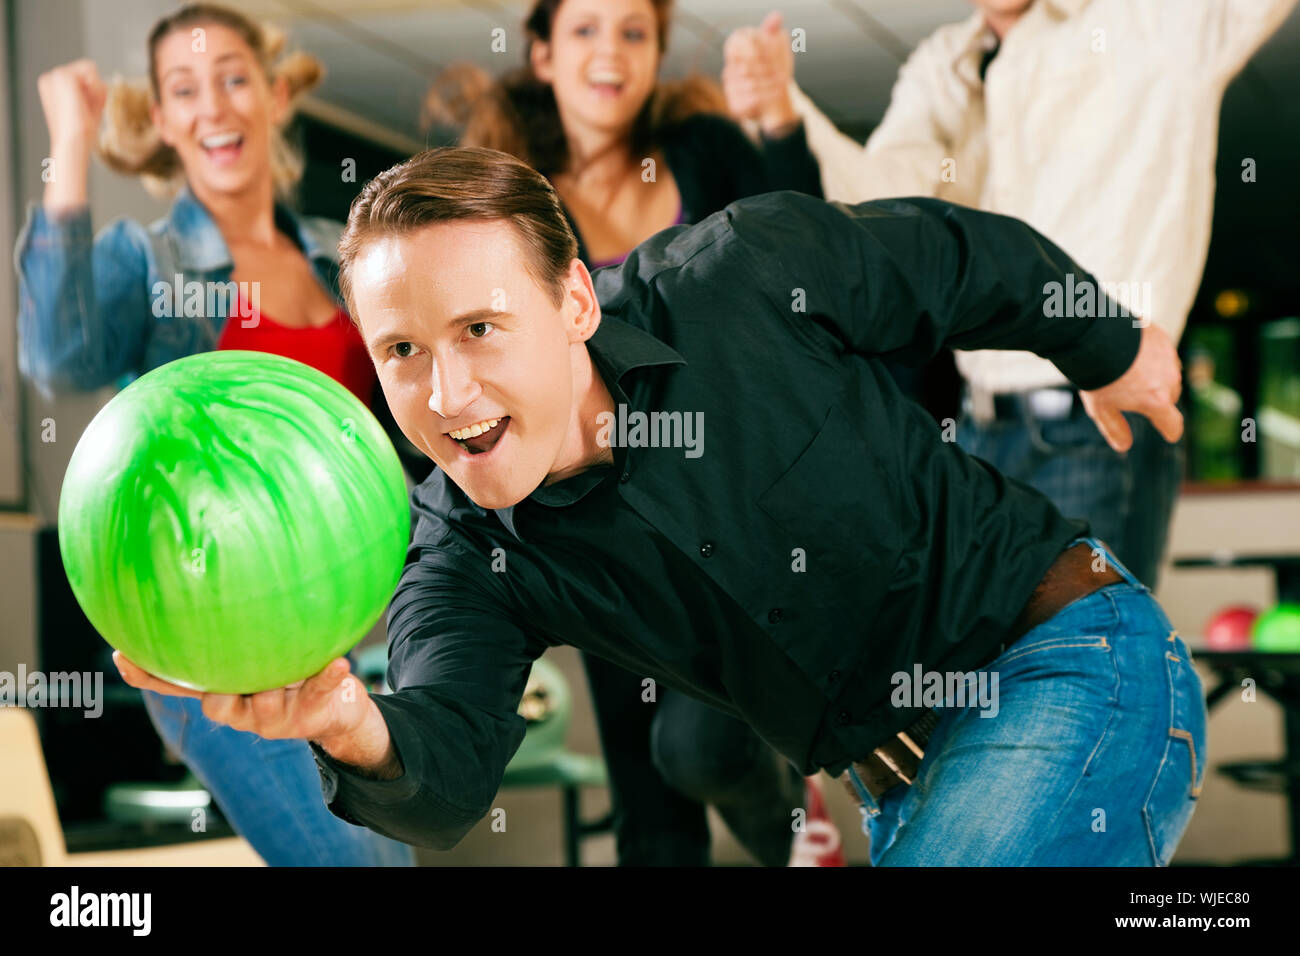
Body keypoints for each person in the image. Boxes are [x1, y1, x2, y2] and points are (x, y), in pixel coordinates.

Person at [117, 146, 1208, 866]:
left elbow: (958, 259)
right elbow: (447, 766)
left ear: (575, 299)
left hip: (1066, 661)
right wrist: (345, 722)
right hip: (899, 782)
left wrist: (1108, 348)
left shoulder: (744, 274)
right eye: (402, 350)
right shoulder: (458, 546)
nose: (445, 396)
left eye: (480, 330)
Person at [424, 0, 832, 866]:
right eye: (584, 28)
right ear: (542, 54)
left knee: (702, 744)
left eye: (633, 31)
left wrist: (780, 126)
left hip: (736, 501)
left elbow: (807, 257)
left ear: (654, 55)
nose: (610, 50)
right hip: (591, 515)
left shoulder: (708, 155)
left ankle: (798, 837)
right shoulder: (504, 202)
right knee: (647, 800)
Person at [17, 3, 412, 866]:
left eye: (234, 79)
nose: (213, 107)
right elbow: (55, 353)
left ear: (273, 95)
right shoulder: (147, 261)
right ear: (160, 119)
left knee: (386, 860)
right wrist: (70, 146)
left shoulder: (336, 254)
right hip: (218, 636)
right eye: (183, 90)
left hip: (348, 621)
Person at [721, 0, 1297, 590]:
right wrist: (785, 112)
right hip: (978, 423)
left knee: (1087, 657)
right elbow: (886, 202)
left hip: (1093, 420)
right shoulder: (946, 65)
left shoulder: (1146, 22)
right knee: (980, 666)